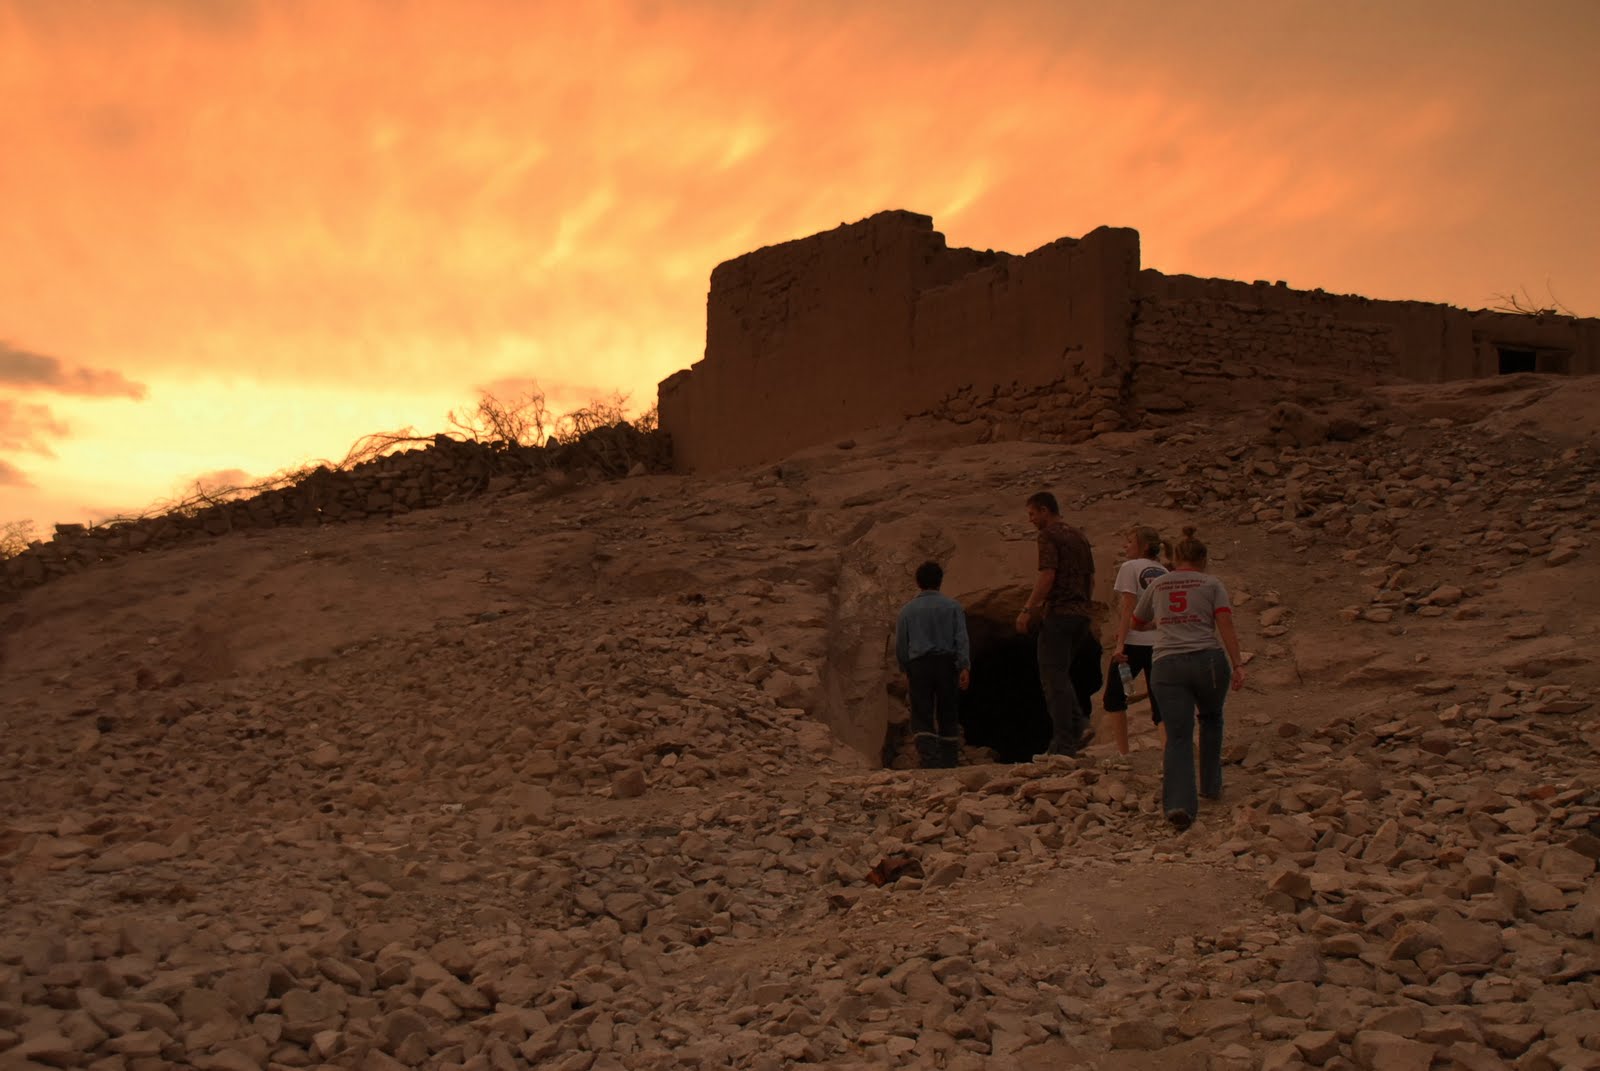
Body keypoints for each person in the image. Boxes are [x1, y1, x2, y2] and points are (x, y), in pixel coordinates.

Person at [1130, 527, 1246, 831]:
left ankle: (1179, 804)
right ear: (1203, 559)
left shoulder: (1158, 584)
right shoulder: (1211, 583)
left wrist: (1164, 622)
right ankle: (1210, 785)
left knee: (1178, 736)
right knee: (1211, 718)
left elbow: (1137, 622)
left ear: (1175, 557)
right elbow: (1225, 623)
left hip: (1167, 665)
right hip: (1207, 660)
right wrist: (1238, 664)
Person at [1015, 491, 1096, 757]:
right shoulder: (1079, 536)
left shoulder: (1048, 535)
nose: (1031, 520)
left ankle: (1064, 743)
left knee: (1052, 678)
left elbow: (1047, 575)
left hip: (1060, 614)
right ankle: (1079, 726)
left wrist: (1028, 609)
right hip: (1081, 615)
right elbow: (1091, 578)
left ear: (1044, 510)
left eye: (1032, 514)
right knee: (1060, 674)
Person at [895, 560, 971, 768]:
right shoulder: (953, 607)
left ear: (918, 582)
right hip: (947, 663)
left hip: (919, 665)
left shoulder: (907, 611)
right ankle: (949, 760)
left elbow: (902, 643)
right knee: (948, 708)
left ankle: (929, 759)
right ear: (940, 581)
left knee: (922, 710)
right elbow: (961, 638)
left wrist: (905, 669)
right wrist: (964, 666)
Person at [1105, 526, 1170, 754]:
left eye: (1129, 541)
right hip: (1159, 645)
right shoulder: (1164, 571)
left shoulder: (1129, 567)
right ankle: (1168, 759)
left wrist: (1120, 645)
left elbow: (1128, 607)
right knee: (1160, 703)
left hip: (1133, 643)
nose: (1126, 545)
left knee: (1114, 698)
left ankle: (1123, 755)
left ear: (1142, 546)